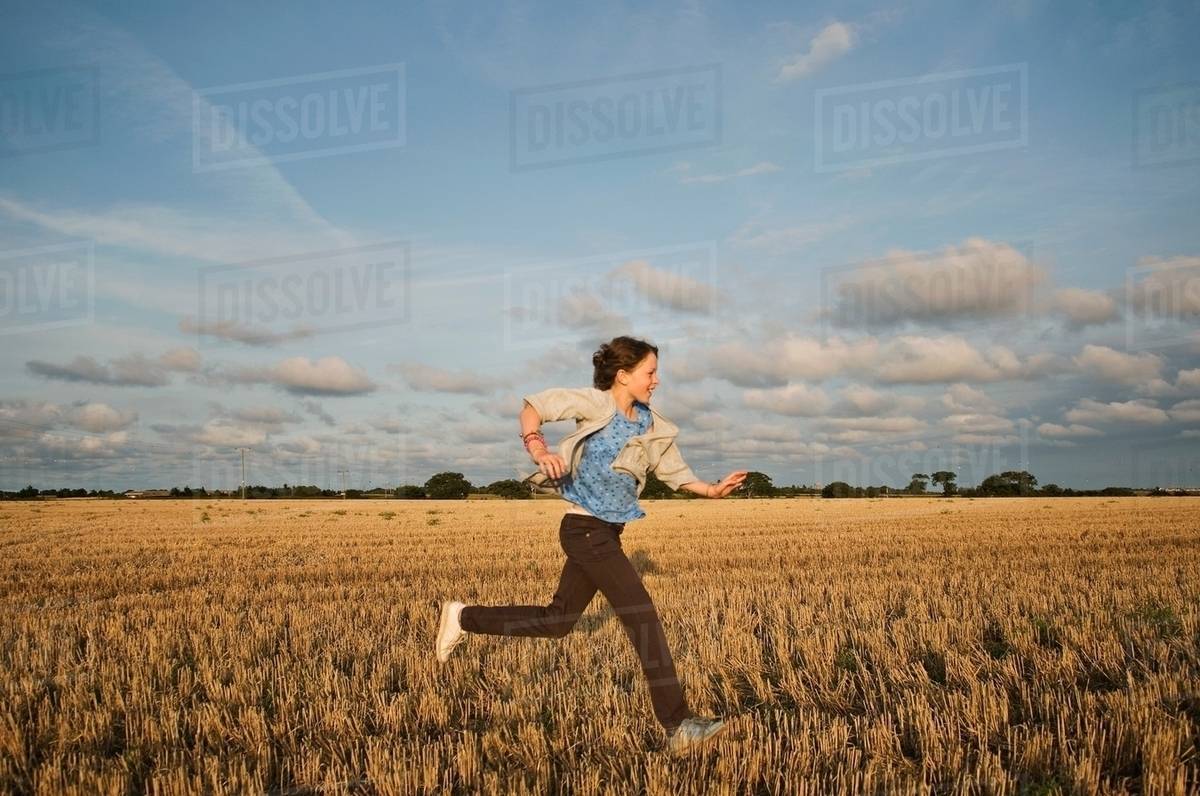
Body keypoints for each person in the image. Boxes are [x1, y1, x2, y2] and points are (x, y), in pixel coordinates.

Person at [435, 335, 748, 754]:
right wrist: (537, 447)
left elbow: (676, 473)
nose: (656, 380)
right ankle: (678, 726)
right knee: (644, 619)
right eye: (650, 372)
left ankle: (463, 617)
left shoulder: (653, 426)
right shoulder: (594, 403)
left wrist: (712, 490)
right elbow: (534, 408)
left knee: (558, 621)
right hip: (585, 530)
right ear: (623, 375)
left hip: (607, 532)